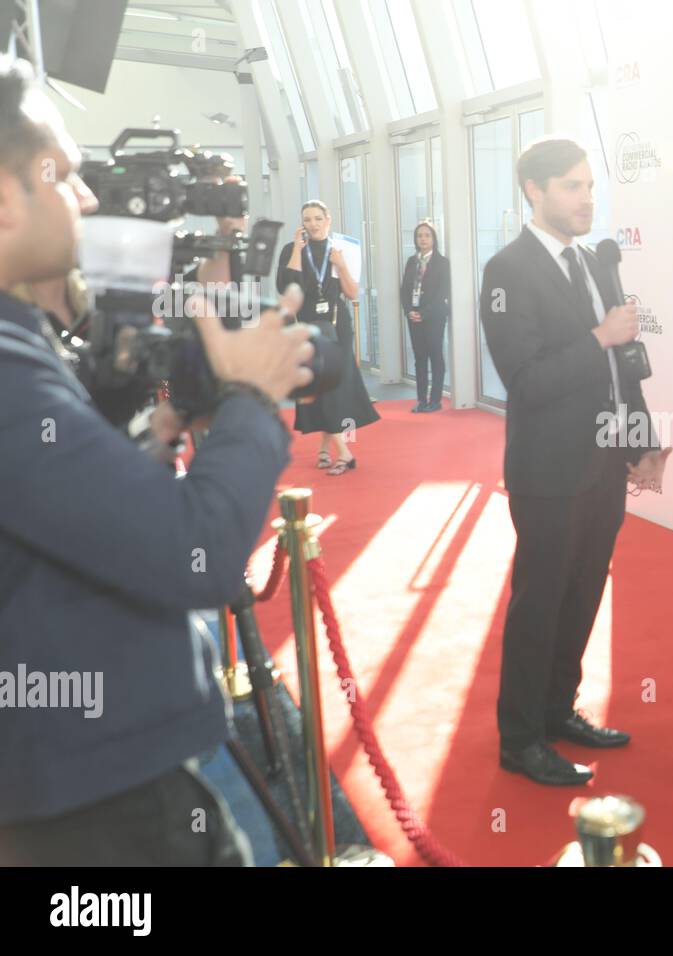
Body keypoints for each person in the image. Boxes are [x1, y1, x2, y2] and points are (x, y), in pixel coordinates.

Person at [0, 56, 317, 864]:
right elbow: (198, 552)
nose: (89, 199)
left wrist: (134, 441)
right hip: (92, 808)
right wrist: (253, 396)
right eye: (65, 178)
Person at [481, 138, 671, 786]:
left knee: (584, 594)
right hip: (548, 471)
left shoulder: (595, 262)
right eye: (571, 186)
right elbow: (526, 379)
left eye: (590, 186)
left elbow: (625, 368)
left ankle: (558, 711)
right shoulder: (506, 270)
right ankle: (520, 739)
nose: (587, 198)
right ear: (533, 190)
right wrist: (599, 337)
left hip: (603, 465)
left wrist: (642, 442)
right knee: (540, 603)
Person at [276, 200, 380, 474]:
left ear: (328, 220)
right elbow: (288, 289)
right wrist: (298, 250)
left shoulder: (343, 249)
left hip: (337, 326)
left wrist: (341, 265)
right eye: (307, 219)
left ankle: (340, 452)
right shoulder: (292, 250)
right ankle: (335, 450)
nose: (312, 224)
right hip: (306, 326)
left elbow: (352, 292)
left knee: (331, 388)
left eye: (317, 219)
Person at [400, 220, 451, 413]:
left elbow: (442, 293)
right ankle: (421, 399)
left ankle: (435, 400)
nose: (423, 239)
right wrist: (408, 311)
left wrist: (424, 313)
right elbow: (404, 289)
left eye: (427, 235)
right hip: (413, 316)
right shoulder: (412, 261)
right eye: (420, 235)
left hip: (434, 316)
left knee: (435, 356)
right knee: (419, 357)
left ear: (434, 239)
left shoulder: (442, 262)